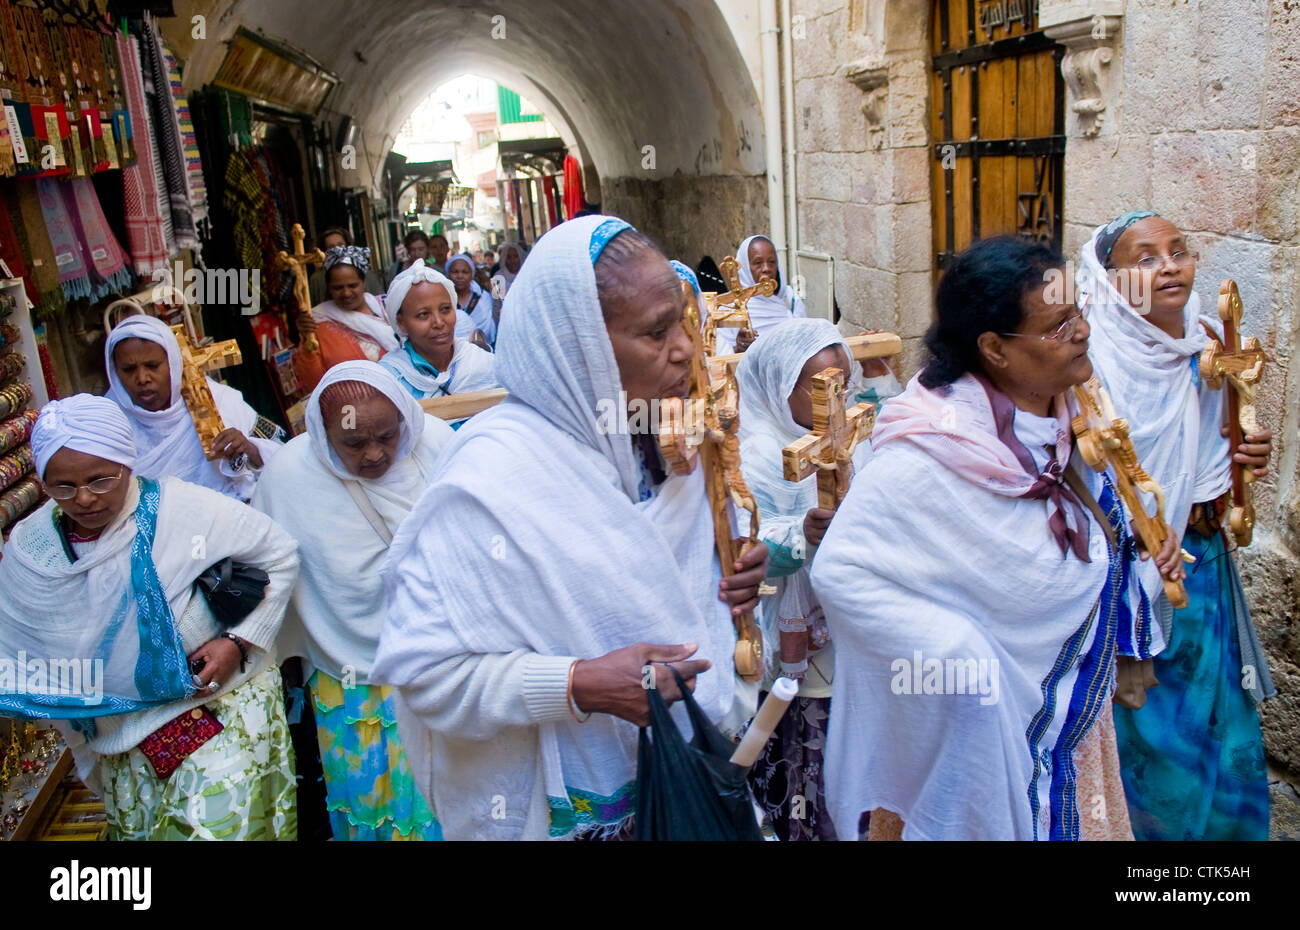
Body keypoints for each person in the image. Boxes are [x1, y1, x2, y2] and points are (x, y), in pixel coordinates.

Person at [370, 216, 769, 840]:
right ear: (576, 343)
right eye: (656, 332)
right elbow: (427, 675)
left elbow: (674, 583)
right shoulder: (490, 485)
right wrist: (578, 684)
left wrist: (734, 578)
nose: (687, 348)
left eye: (683, 322)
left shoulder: (674, 447)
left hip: (688, 782)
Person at [812, 237, 1178, 841]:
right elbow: (840, 572)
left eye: (1080, 310)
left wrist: (1137, 551)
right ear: (994, 349)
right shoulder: (929, 452)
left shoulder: (1074, 414)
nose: (1082, 331)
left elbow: (1095, 525)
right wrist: (958, 655)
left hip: (1066, 729)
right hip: (975, 735)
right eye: (1059, 325)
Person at [0, 394, 299, 840]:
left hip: (220, 712)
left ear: (127, 463)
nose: (83, 498)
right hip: (122, 743)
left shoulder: (183, 510)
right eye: (62, 487)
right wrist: (88, 751)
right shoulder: (31, 551)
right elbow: (43, 669)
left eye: (101, 480)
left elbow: (280, 554)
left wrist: (238, 643)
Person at [1077, 211, 1275, 841]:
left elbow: (1228, 436)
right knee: (1149, 735)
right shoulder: (1087, 360)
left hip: (1203, 563)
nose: (1168, 266)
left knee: (1219, 721)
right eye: (1144, 256)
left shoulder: (1213, 340)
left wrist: (1249, 450)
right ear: (1109, 280)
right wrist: (1130, 543)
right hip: (1122, 576)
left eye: (1179, 251)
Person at [253, 362, 454, 841]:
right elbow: (267, 572)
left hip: (445, 664)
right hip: (348, 679)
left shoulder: (441, 448)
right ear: (322, 435)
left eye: (386, 436)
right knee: (372, 805)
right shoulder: (287, 479)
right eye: (353, 444)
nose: (374, 454)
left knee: (450, 799)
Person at [734, 317, 870, 841]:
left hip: (853, 635)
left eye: (842, 383)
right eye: (818, 389)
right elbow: (748, 546)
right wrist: (803, 534)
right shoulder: (761, 455)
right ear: (777, 385)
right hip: (795, 645)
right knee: (802, 771)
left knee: (852, 773)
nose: (833, 401)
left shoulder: (854, 434)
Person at [105, 313, 283, 501]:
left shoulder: (221, 402)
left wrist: (250, 448)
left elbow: (283, 462)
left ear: (173, 362)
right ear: (115, 372)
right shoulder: (108, 427)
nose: (142, 378)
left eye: (152, 365)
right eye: (128, 369)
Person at [379, 263, 498, 428]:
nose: (439, 322)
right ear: (401, 323)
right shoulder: (389, 380)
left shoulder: (484, 363)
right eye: (423, 315)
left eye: (445, 309)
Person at [295, 246, 398, 392]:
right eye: (338, 288)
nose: (346, 293)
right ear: (329, 288)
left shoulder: (388, 309)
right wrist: (307, 340)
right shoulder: (317, 322)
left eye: (353, 285)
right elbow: (312, 379)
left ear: (364, 283)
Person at [719, 235, 808, 354]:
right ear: (745, 267)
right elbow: (718, 357)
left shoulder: (791, 299)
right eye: (758, 263)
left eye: (772, 262)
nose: (766, 269)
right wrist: (737, 349)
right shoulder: (729, 308)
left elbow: (805, 343)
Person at [311, 226, 382, 305]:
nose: (337, 250)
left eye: (341, 245)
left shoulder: (367, 274)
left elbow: (379, 303)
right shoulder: (316, 280)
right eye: (331, 247)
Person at [445, 252, 496, 349]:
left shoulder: (483, 297)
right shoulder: (443, 300)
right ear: (448, 274)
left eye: (465, 272)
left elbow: (489, 330)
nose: (460, 276)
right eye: (455, 272)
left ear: (472, 274)